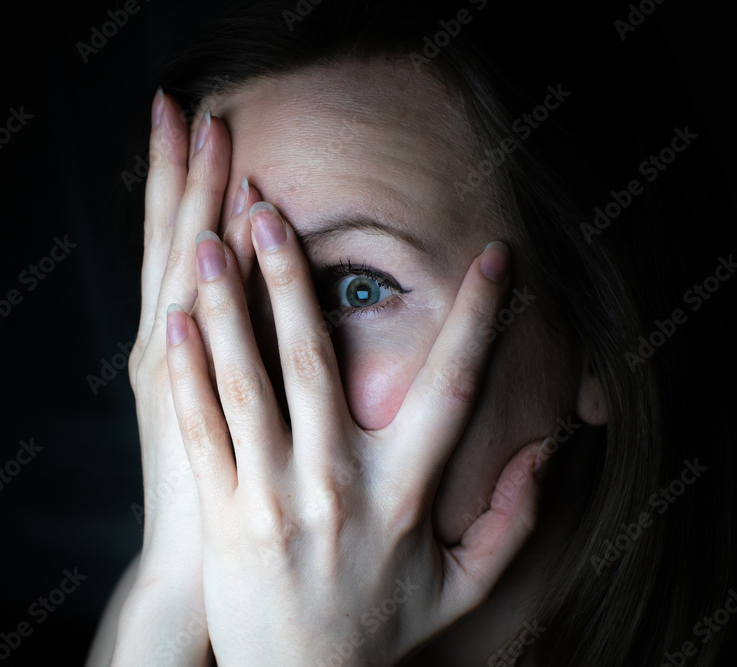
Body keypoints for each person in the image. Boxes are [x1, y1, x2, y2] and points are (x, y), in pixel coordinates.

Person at [88, 1, 735, 664]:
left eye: (354, 287)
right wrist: (161, 614)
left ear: (598, 339)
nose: (242, 382)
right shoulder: (162, 617)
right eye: (210, 300)